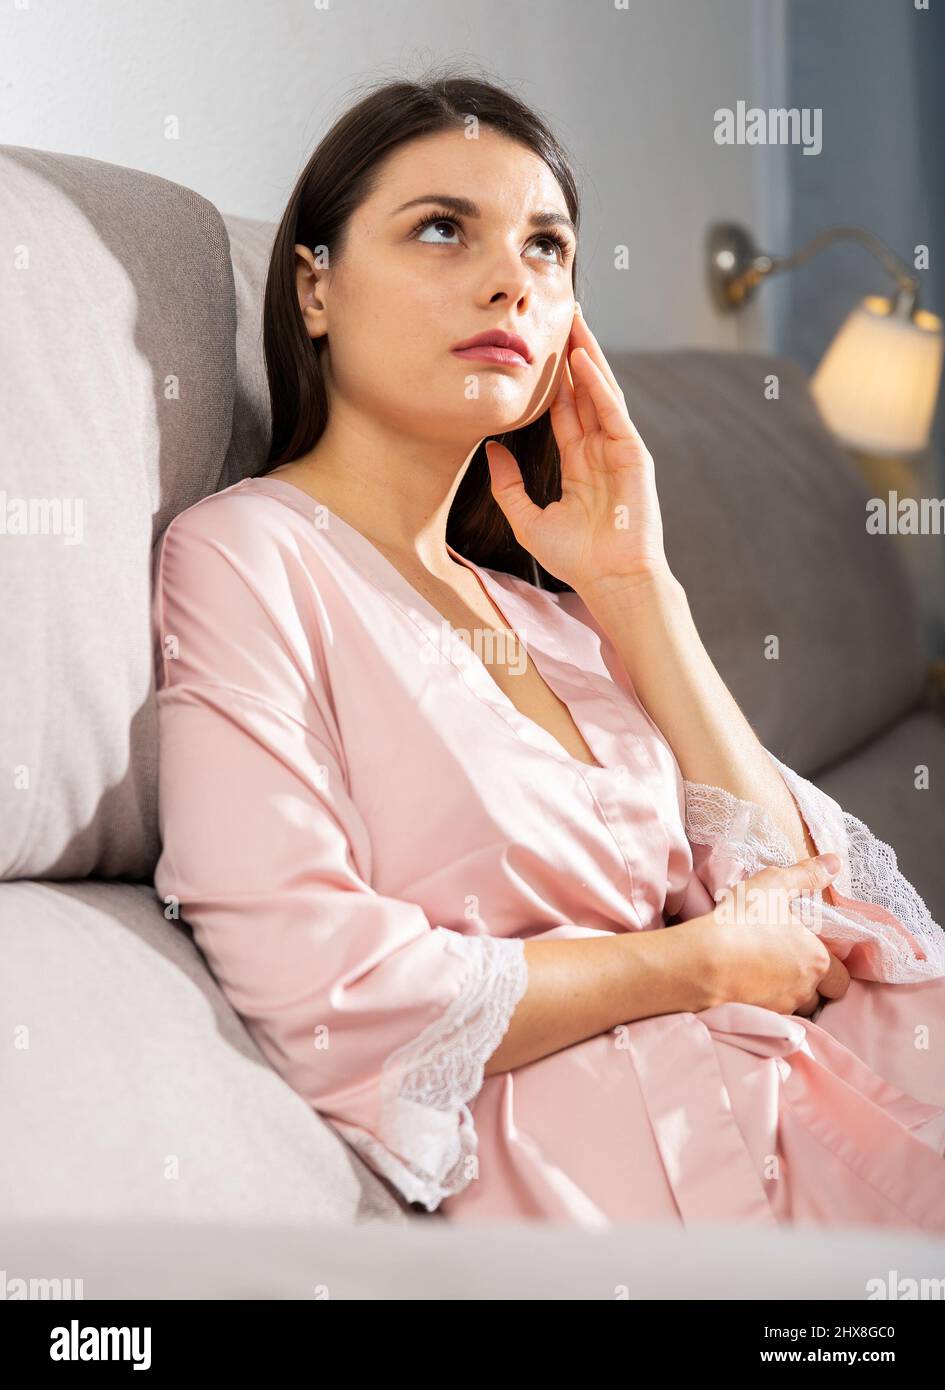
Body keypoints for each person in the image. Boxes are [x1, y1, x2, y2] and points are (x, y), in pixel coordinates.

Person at [151, 70, 945, 1231]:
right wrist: (695, 966)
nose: (510, 280)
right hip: (630, 1177)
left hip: (830, 1093)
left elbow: (812, 910)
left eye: (547, 247)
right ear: (313, 285)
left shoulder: (557, 611)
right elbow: (325, 985)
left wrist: (641, 590)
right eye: (442, 229)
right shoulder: (249, 558)